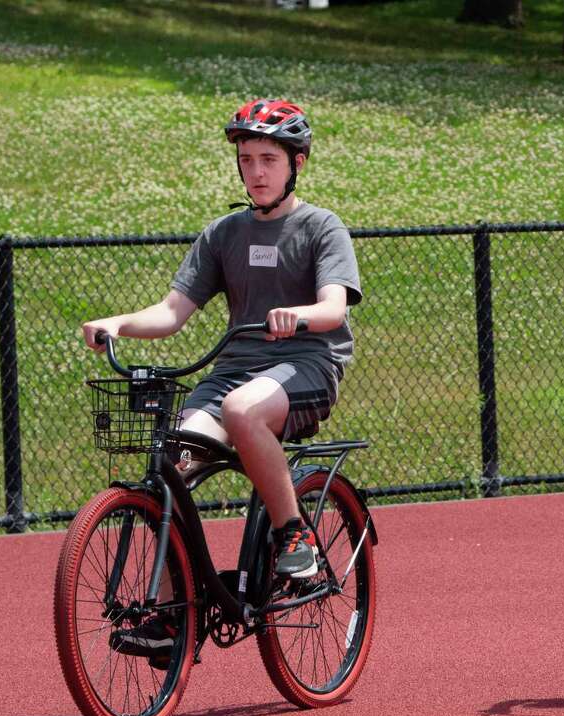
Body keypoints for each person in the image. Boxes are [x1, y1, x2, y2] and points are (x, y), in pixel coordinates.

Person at [82, 98, 362, 660]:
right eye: (247, 159)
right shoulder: (224, 233)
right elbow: (172, 313)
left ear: (296, 165)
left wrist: (300, 315)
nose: (256, 172)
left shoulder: (321, 227)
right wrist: (119, 323)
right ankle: (168, 613)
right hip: (236, 371)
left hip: (307, 364)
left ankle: (296, 538)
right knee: (174, 462)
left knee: (242, 410)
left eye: (269, 160)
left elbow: (334, 309)